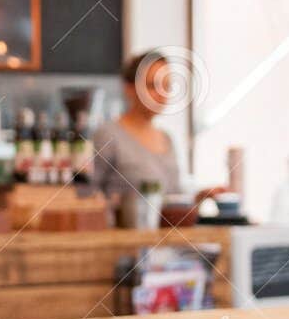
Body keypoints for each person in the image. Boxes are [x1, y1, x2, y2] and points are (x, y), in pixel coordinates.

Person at [92, 50, 225, 204]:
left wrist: (199, 196)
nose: (162, 94)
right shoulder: (108, 135)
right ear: (129, 88)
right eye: (153, 86)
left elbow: (171, 196)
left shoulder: (166, 138)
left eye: (166, 86)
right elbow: (89, 193)